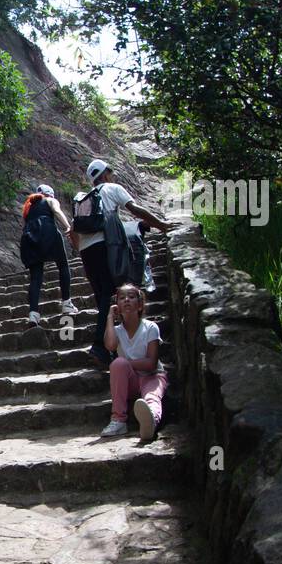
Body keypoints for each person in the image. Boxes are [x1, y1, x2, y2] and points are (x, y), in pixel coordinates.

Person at [68, 159, 167, 367]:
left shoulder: (86, 199)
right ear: (105, 175)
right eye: (110, 173)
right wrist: (162, 225)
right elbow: (135, 209)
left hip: (87, 250)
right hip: (106, 246)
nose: (112, 176)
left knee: (102, 297)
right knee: (111, 292)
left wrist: (80, 251)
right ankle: (99, 347)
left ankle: (110, 345)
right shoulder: (112, 188)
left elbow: (72, 231)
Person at [100, 282, 168, 442]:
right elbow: (110, 345)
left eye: (131, 297)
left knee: (152, 397)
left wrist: (127, 363)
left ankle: (149, 422)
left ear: (139, 305)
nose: (126, 300)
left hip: (152, 377)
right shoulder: (116, 331)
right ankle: (118, 420)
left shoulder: (151, 327)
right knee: (117, 364)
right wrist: (110, 317)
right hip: (131, 381)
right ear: (117, 306)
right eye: (122, 298)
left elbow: (151, 363)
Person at [18, 183, 78, 326]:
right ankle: (66, 302)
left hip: (29, 236)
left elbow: (24, 224)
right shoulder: (50, 200)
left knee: (36, 276)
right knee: (63, 265)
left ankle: (33, 314)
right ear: (50, 194)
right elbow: (57, 212)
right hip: (47, 230)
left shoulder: (28, 208)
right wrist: (69, 228)